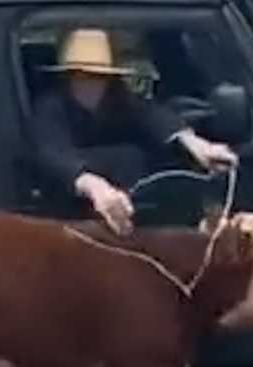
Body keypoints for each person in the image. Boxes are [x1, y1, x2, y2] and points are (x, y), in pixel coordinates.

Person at [29, 28, 239, 234]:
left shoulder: (118, 97)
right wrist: (95, 186)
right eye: (80, 76)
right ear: (67, 78)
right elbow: (53, 154)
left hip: (138, 213)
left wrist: (196, 144)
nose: (90, 84)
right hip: (71, 219)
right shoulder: (49, 107)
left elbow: (152, 115)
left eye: (99, 77)